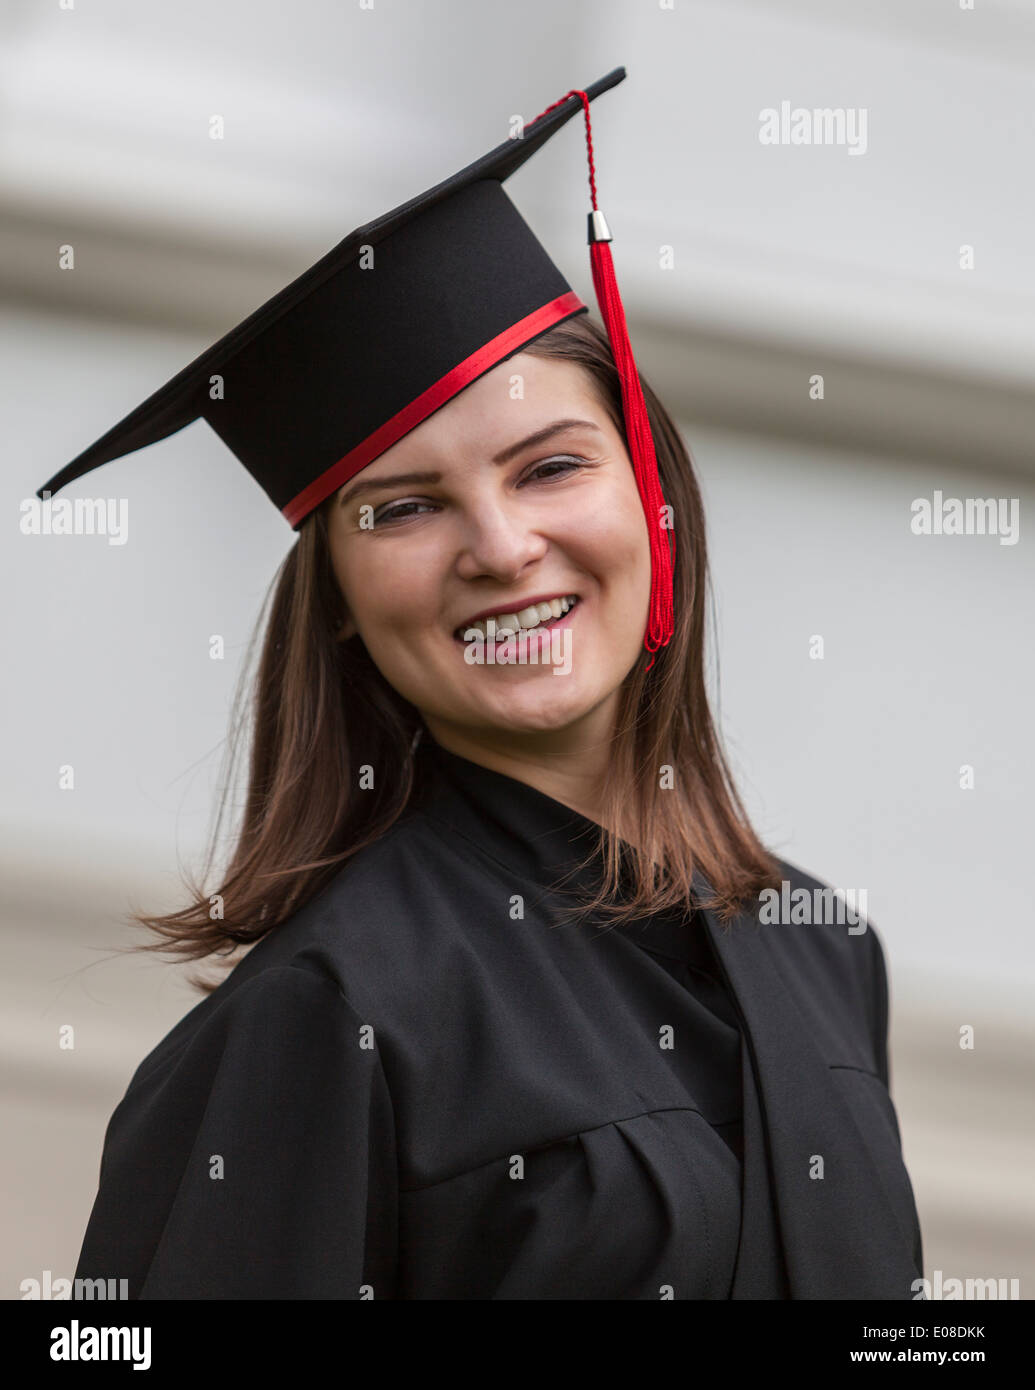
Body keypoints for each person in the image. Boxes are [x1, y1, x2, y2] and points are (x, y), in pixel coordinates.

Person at [41, 69, 923, 1299]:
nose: (501, 548)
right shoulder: (326, 1016)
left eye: (550, 467)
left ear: (652, 498)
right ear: (343, 605)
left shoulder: (820, 948)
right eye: (404, 507)